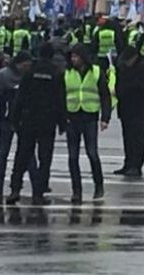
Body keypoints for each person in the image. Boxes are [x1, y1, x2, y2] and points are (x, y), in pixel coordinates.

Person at [9, 43, 65, 205]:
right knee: (45, 158)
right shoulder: (56, 73)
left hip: (29, 118)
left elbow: (20, 96)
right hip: (48, 120)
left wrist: (15, 117)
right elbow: (60, 99)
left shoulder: (30, 72)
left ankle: (15, 188)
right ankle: (38, 193)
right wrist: (62, 122)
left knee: (22, 155)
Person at [63, 45, 112, 203]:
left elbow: (105, 96)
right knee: (72, 156)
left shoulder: (96, 72)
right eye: (72, 57)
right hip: (72, 116)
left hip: (90, 116)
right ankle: (76, 190)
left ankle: (99, 185)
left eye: (76, 57)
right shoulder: (67, 73)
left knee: (92, 153)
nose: (73, 60)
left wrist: (105, 118)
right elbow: (61, 96)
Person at [0, 51, 33, 201]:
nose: (27, 68)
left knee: (28, 154)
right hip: (7, 118)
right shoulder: (3, 75)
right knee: (3, 154)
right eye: (25, 65)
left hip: (23, 120)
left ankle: (36, 186)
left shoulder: (28, 75)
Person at [113, 45, 144, 177]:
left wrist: (126, 89)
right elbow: (118, 83)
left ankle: (136, 165)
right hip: (125, 107)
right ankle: (128, 163)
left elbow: (142, 86)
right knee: (127, 137)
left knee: (138, 138)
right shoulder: (122, 67)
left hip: (139, 107)